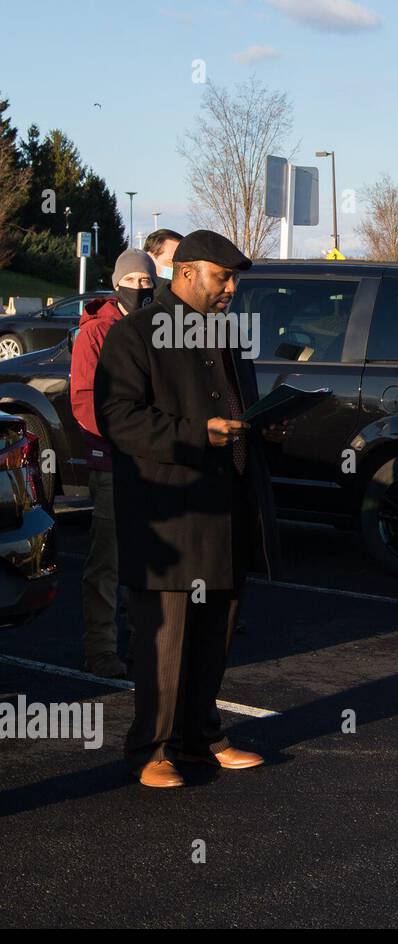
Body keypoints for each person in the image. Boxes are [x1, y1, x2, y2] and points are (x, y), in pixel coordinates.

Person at [95, 229, 282, 789]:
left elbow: (238, 407)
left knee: (213, 635)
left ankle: (200, 738)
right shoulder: (135, 334)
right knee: (164, 640)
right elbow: (119, 418)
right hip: (170, 518)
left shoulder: (225, 333)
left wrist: (266, 425)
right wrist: (199, 434)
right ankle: (150, 750)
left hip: (228, 510)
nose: (230, 289)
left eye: (233, 281)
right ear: (185, 273)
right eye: (222, 278)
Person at [71, 249, 155, 678]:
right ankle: (101, 649)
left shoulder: (156, 329)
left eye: (147, 280)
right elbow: (85, 401)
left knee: (147, 561)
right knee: (107, 562)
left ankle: (144, 645)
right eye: (133, 280)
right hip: (111, 463)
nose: (141, 287)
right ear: (117, 283)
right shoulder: (95, 333)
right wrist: (125, 438)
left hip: (152, 462)